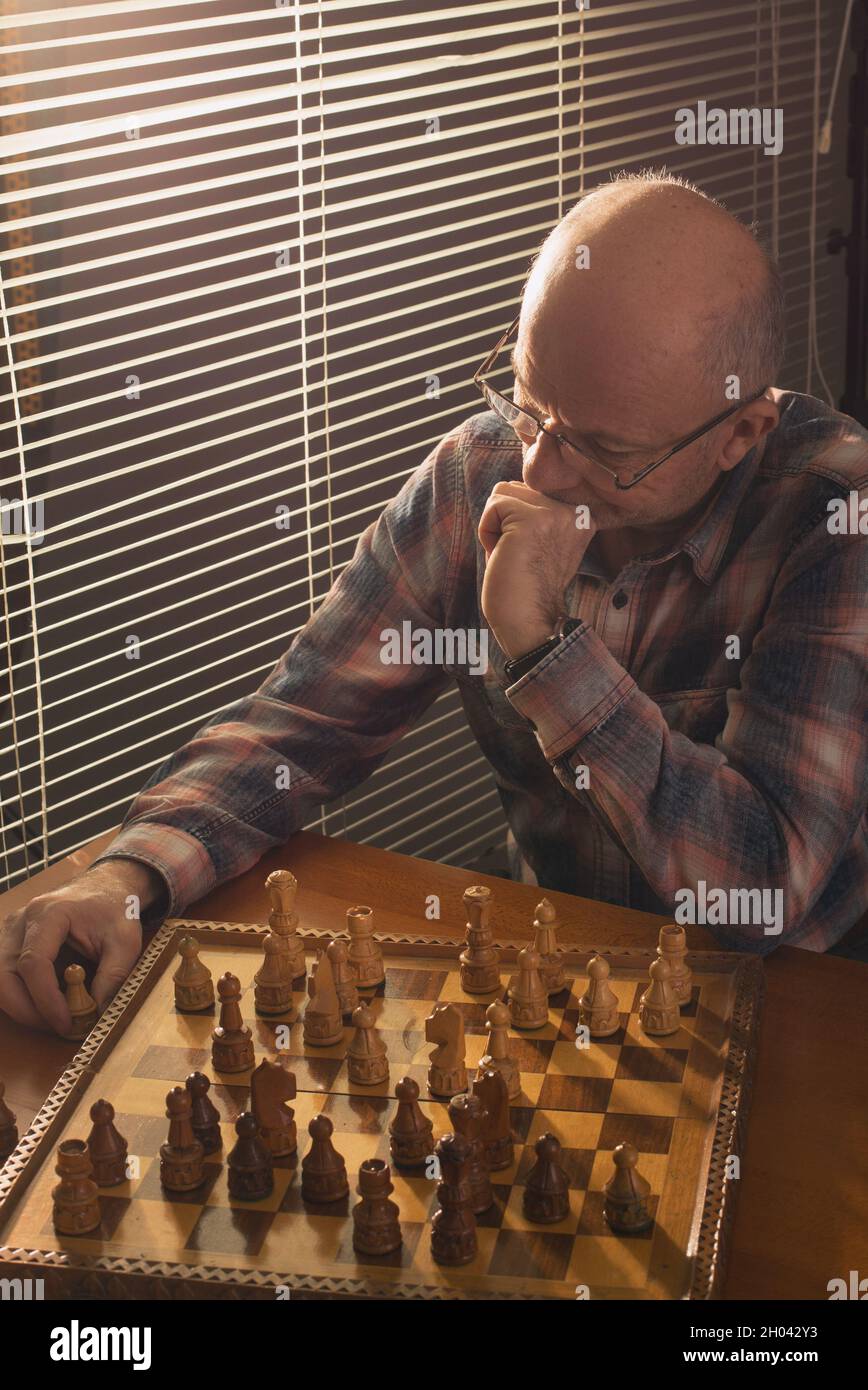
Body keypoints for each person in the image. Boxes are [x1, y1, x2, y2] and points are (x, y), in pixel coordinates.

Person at [2, 169, 866, 1036]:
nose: (538, 473)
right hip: (552, 967)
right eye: (530, 407)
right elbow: (302, 727)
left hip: (798, 1006)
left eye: (605, 451)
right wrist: (128, 876)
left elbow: (764, 889)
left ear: (739, 434)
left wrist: (546, 653)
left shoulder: (837, 518)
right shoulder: (478, 472)